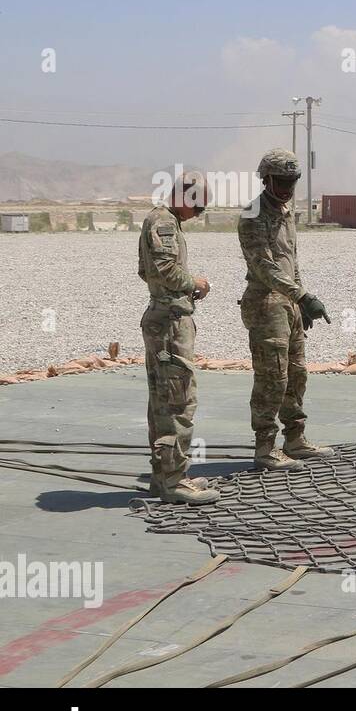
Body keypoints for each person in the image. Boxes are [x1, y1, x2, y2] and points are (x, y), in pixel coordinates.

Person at [238, 148, 334, 470]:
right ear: (265, 179)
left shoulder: (286, 211)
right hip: (266, 305)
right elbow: (265, 266)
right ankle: (265, 447)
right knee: (272, 378)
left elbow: (291, 263)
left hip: (287, 304)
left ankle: (295, 439)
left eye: (291, 181)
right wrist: (303, 296)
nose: (286, 188)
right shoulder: (253, 215)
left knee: (296, 375)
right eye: (280, 181)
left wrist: (298, 300)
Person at [138, 170, 218, 504]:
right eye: (198, 208)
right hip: (170, 323)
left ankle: (165, 477)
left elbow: (147, 271)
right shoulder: (165, 223)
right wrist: (193, 284)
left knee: (162, 401)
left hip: (164, 316)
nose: (198, 215)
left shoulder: (162, 221)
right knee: (177, 403)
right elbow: (165, 270)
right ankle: (173, 482)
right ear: (185, 198)